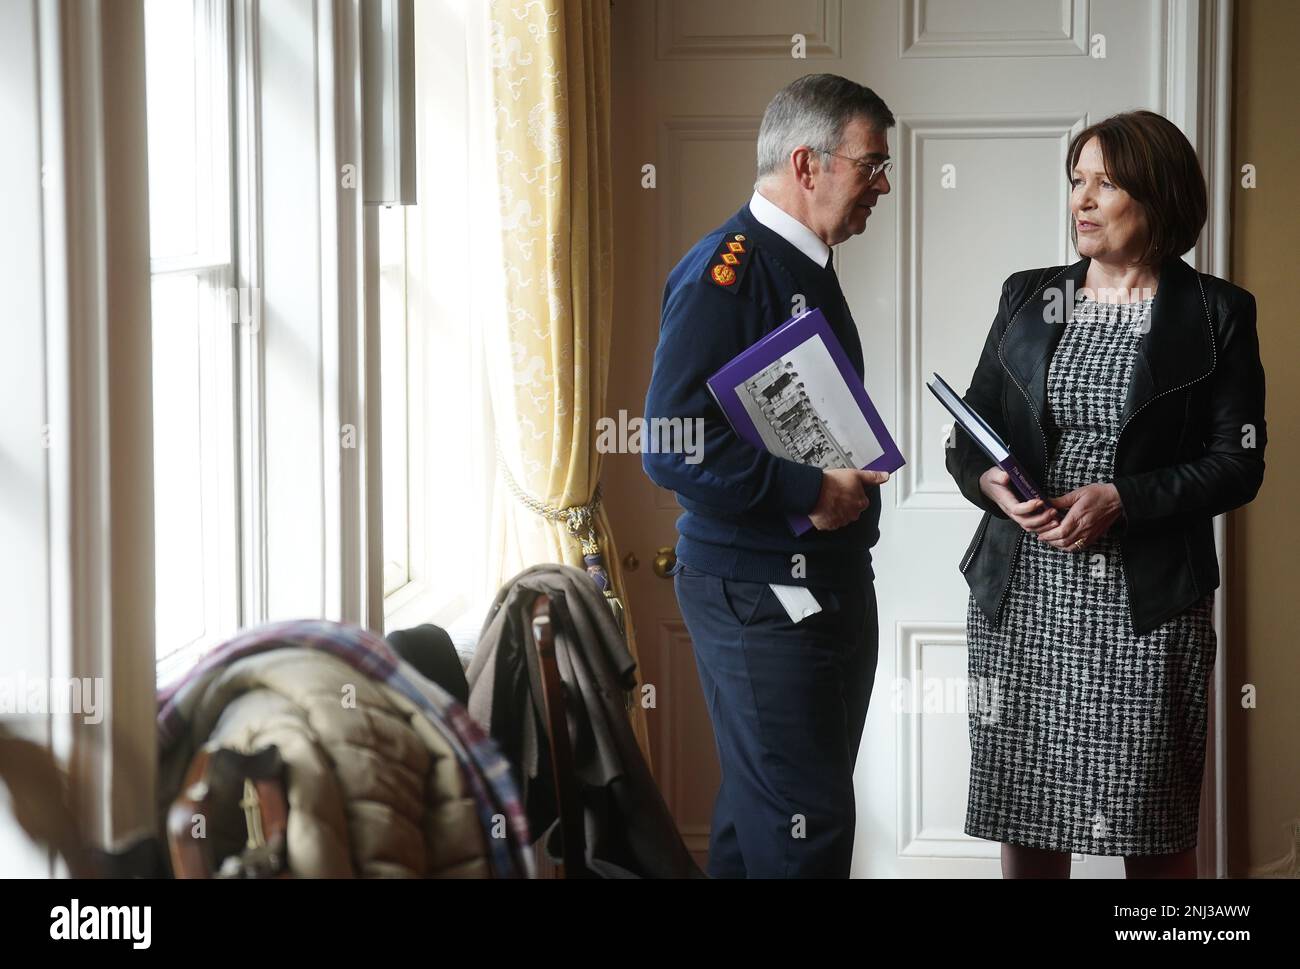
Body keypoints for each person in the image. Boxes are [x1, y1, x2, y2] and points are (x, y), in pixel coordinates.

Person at [947, 110, 1266, 878]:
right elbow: (968, 437)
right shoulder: (1028, 296)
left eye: (1106, 183)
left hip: (1148, 602)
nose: (1082, 201)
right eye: (1076, 182)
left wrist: (1124, 498)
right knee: (1025, 810)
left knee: (1152, 822)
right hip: (1022, 593)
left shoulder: (1217, 312)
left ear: (1156, 196)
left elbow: (1239, 463)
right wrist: (990, 484)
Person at [642, 74, 894, 877]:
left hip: (815, 581)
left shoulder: (804, 261)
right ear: (807, 163)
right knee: (804, 826)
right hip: (758, 592)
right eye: (872, 164)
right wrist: (813, 491)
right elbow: (668, 441)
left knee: (763, 821)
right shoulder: (729, 270)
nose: (883, 185)